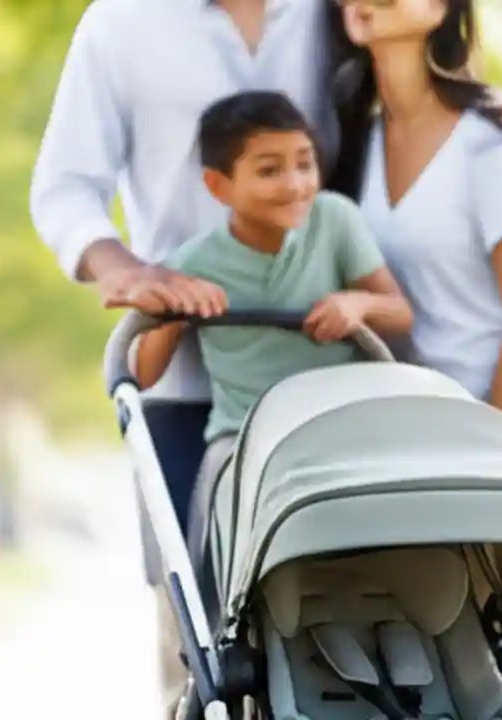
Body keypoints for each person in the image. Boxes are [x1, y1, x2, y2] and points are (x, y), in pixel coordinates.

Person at [28, 1, 336, 714]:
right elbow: (65, 189)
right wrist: (124, 270)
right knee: (198, 644)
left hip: (325, 375)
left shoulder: (337, 14)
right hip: (183, 379)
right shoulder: (123, 23)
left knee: (342, 619)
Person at [325, 0, 502, 662]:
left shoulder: (488, 143)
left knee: (491, 675)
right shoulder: (354, 146)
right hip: (398, 460)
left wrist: (483, 459)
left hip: (492, 455)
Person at [134, 90, 412, 483]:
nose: (295, 185)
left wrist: (359, 305)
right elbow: (143, 375)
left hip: (339, 428)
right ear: (218, 186)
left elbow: (400, 315)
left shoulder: (335, 221)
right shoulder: (193, 265)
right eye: (269, 171)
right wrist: (167, 310)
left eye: (305, 164)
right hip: (242, 441)